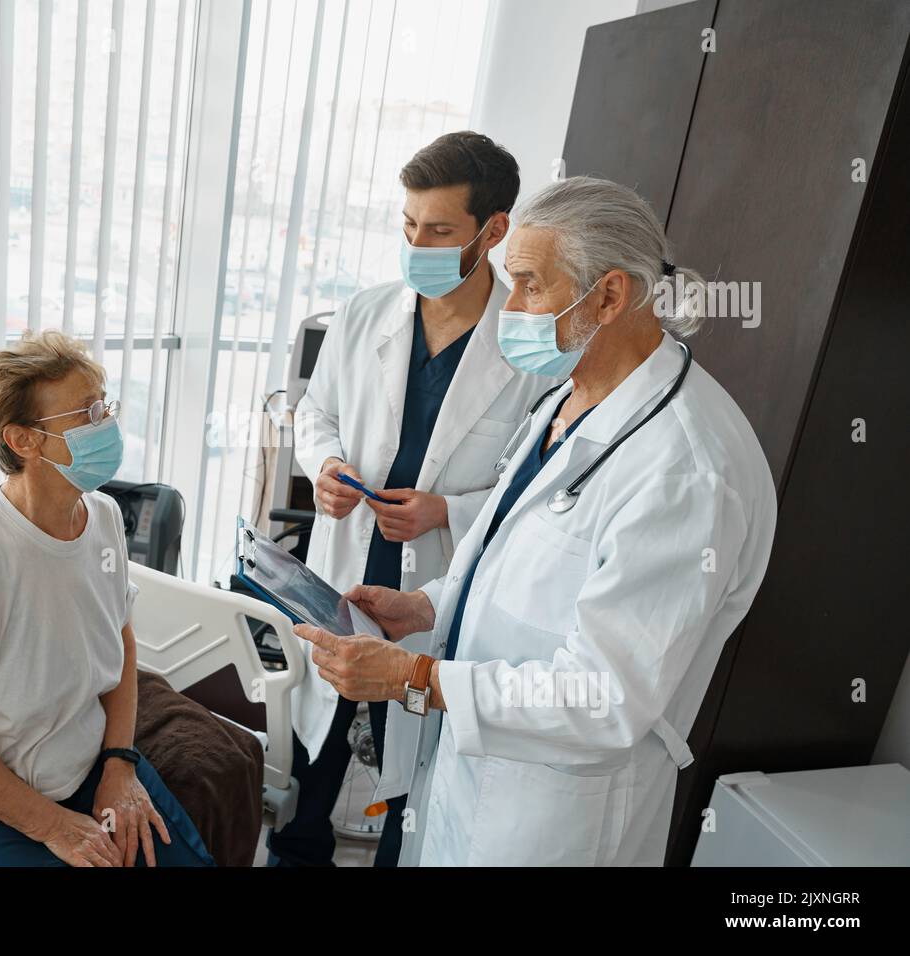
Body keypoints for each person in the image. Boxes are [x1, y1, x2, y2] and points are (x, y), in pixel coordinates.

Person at [293, 176, 777, 866]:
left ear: (609, 295)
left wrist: (416, 679)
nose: (507, 305)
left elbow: (605, 697)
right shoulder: (567, 399)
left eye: (527, 285)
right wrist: (425, 606)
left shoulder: (687, 472)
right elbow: (510, 562)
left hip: (554, 819)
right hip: (476, 779)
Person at [272, 132, 554, 867]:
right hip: (345, 568)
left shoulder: (529, 349)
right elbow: (315, 413)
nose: (416, 243)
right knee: (319, 753)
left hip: (438, 588)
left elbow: (539, 486)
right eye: (407, 225)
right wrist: (325, 463)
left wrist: (447, 512)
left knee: (413, 775)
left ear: (493, 231)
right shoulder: (366, 314)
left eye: (438, 230)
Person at [0, 329, 213, 867]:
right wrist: (56, 826)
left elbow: (121, 644)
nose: (106, 425)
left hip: (83, 769)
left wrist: (119, 764)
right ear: (24, 441)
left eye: (103, 406)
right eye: (85, 415)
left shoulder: (103, 517)